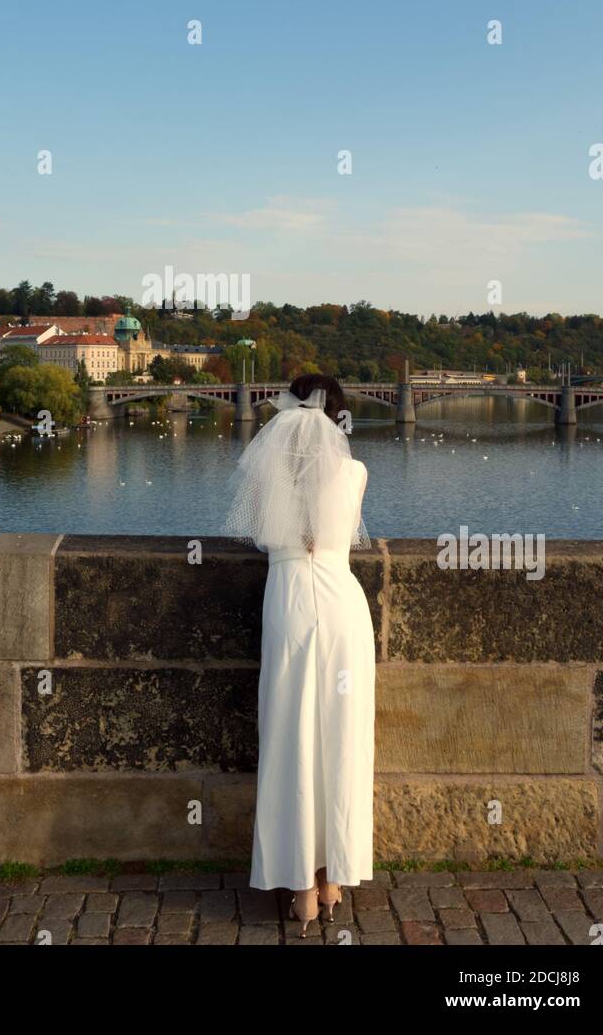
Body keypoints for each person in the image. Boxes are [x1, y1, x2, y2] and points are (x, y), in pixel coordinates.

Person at [224, 373, 374, 937]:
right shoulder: (355, 472)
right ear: (337, 421)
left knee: (290, 740)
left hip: (288, 604)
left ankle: (302, 889)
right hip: (342, 608)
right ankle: (334, 878)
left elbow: (266, 539)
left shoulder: (265, 475)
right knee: (341, 739)